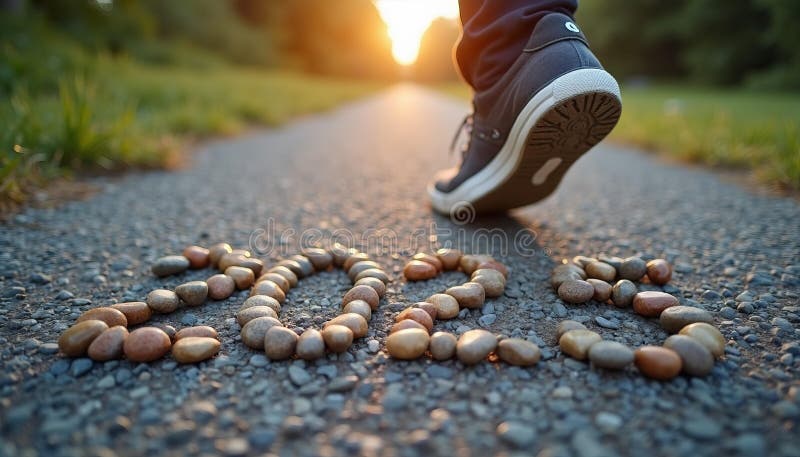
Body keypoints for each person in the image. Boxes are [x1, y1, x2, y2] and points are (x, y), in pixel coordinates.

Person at [429, 0, 622, 215]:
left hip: (512, 65)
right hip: (565, 37)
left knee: (503, 52)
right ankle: (556, 42)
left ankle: (503, 72)